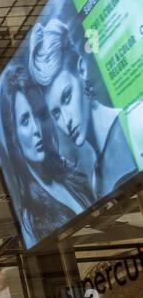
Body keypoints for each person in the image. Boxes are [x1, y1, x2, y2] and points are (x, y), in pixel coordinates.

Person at [29, 17, 136, 201]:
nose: (66, 120)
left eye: (67, 97)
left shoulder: (135, 123)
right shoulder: (96, 177)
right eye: (56, 112)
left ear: (82, 70)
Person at [0, 65, 95, 248]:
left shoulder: (72, 175)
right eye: (25, 120)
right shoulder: (30, 218)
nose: (37, 129)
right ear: (13, 135)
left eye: (39, 114)